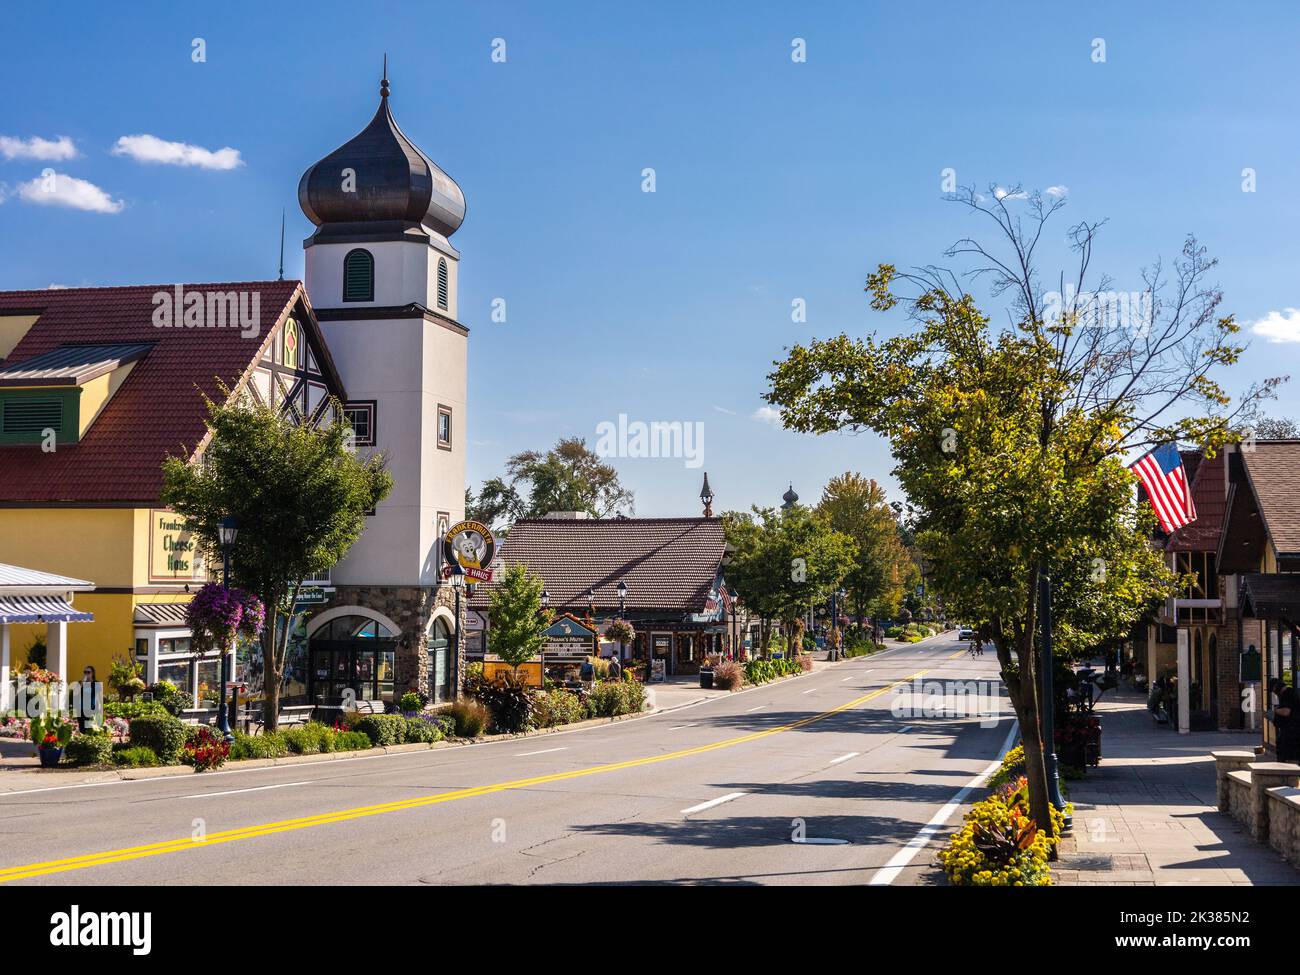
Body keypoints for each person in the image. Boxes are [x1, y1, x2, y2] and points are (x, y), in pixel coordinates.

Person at [1271, 678, 1300, 763]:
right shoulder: (1287, 694)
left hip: (1292, 731)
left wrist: (1276, 710)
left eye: (1273, 690)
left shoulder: (1288, 694)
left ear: (1276, 686)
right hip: (1289, 729)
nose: (1274, 692)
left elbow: (1286, 712)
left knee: (1288, 754)